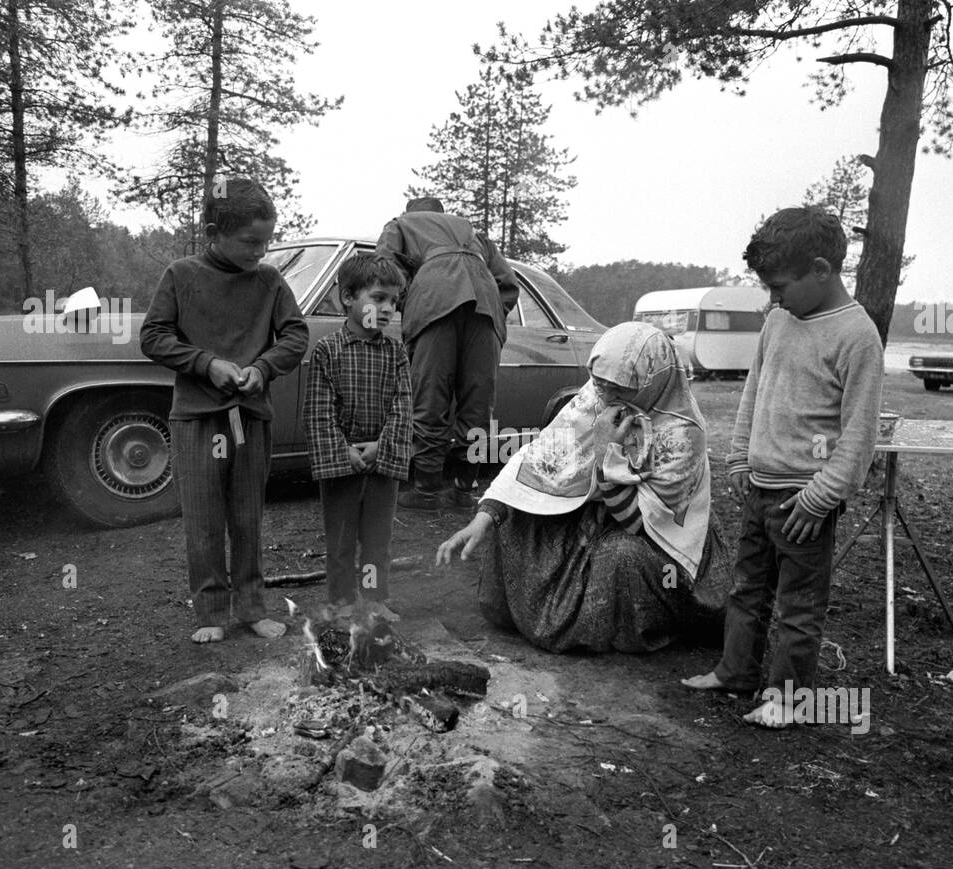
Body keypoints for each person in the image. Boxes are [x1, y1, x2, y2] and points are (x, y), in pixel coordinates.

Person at [681, 206, 883, 729]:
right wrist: (739, 454)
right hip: (759, 488)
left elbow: (860, 436)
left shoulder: (857, 335)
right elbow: (755, 391)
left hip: (805, 501)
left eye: (780, 286)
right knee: (746, 589)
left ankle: (787, 699)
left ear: (821, 269)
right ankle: (736, 672)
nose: (773, 298)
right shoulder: (778, 320)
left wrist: (821, 497)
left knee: (798, 605)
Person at [435, 322, 731, 653]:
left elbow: (642, 527)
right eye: (599, 384)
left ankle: (610, 629)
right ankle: (522, 613)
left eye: (618, 391)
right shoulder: (596, 395)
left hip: (654, 540)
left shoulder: (680, 434)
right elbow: (539, 461)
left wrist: (608, 455)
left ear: (651, 383)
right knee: (517, 518)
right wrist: (485, 516)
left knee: (619, 557)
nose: (604, 397)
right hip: (599, 512)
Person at [140, 178, 310, 644]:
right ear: (214, 231)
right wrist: (206, 364)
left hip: (250, 418)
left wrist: (263, 368)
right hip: (196, 418)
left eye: (266, 242)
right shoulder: (181, 274)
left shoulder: (270, 281)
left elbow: (295, 336)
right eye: (251, 242)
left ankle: (252, 607)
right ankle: (211, 611)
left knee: (248, 518)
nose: (260, 251)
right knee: (203, 520)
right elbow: (153, 336)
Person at [375, 196, 519, 509]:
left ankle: (426, 489)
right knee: (478, 400)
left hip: (433, 301)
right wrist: (491, 312)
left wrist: (412, 302)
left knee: (430, 394)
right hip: (486, 304)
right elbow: (508, 284)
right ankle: (463, 489)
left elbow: (383, 270)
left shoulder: (400, 224)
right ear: (442, 215)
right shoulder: (475, 235)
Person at [303, 254, 412, 619]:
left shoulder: (396, 352)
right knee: (341, 540)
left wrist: (384, 445)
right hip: (343, 462)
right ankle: (342, 601)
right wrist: (342, 451)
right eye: (378, 298)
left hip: (382, 460)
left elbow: (403, 404)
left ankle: (374, 599)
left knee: (377, 541)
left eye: (394, 302)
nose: (387, 309)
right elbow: (319, 411)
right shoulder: (327, 351)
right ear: (348, 297)